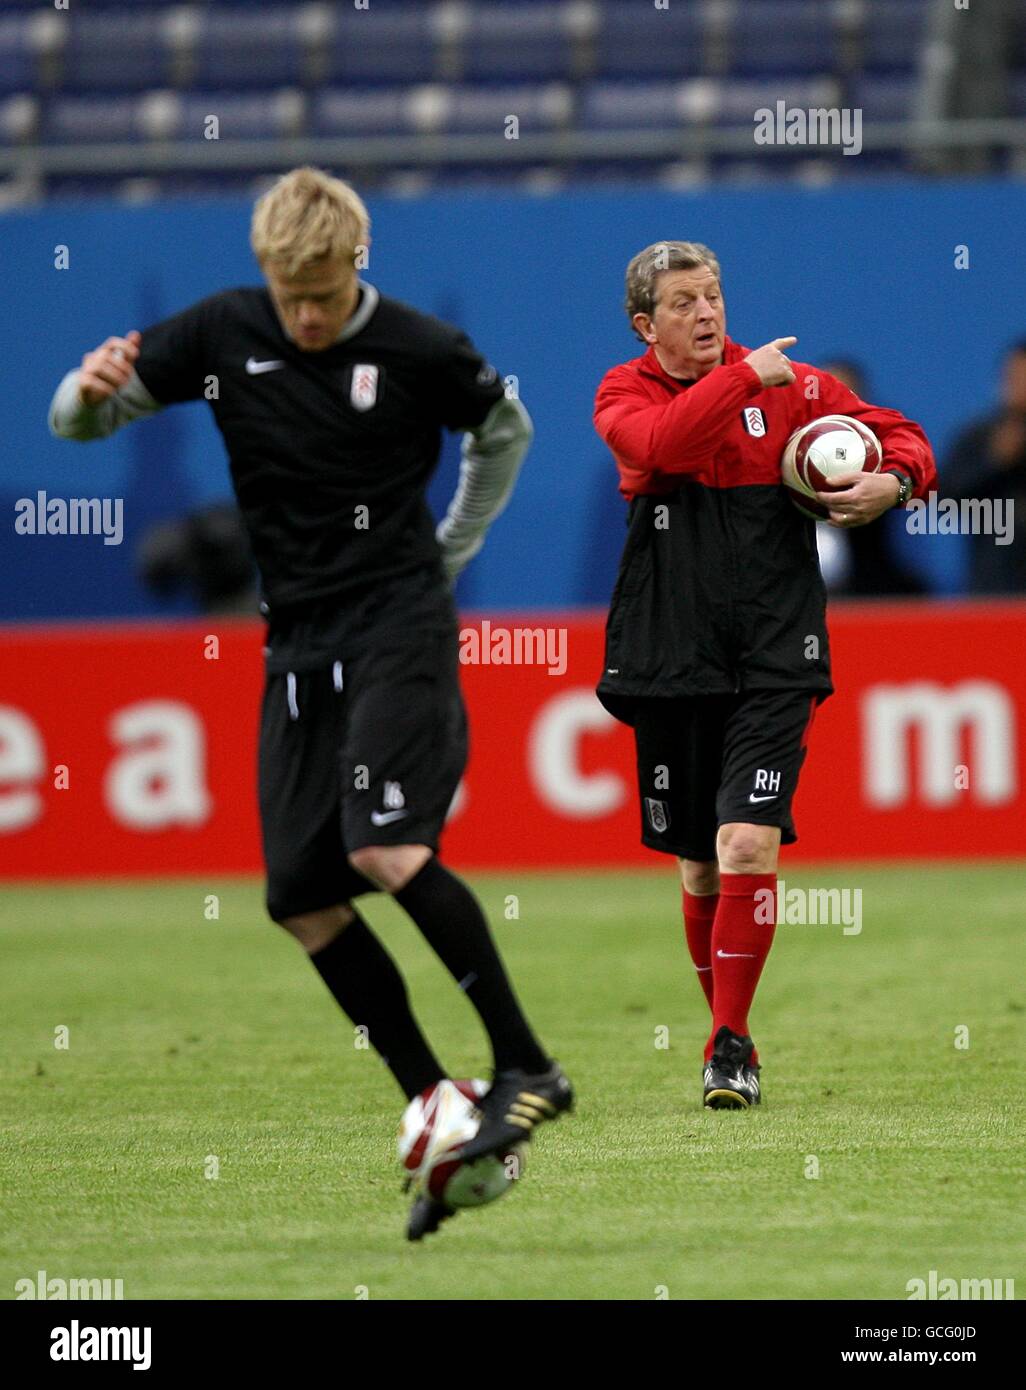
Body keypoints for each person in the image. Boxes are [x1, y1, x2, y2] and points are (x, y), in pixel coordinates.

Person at [49, 166, 572, 1240]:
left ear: (355, 265)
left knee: (383, 844)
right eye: (290, 297)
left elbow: (505, 430)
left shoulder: (421, 349)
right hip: (297, 644)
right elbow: (80, 427)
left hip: (397, 624)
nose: (306, 316)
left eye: (323, 295)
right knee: (299, 894)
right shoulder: (219, 332)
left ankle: (525, 1062)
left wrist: (453, 547)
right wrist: (84, 392)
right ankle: (434, 1096)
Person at [593, 241, 936, 1108]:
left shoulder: (801, 388)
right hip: (671, 650)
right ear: (646, 324)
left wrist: (891, 485)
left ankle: (729, 1044)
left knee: (746, 839)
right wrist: (750, 381)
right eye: (683, 304)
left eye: (712, 296)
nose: (707, 314)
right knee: (699, 867)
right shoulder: (624, 393)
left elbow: (906, 437)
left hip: (779, 650)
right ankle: (725, 1038)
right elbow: (666, 447)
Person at [943, 340, 1026, 593]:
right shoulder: (978, 438)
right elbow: (946, 501)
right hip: (993, 590)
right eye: (1015, 377)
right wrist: (994, 463)